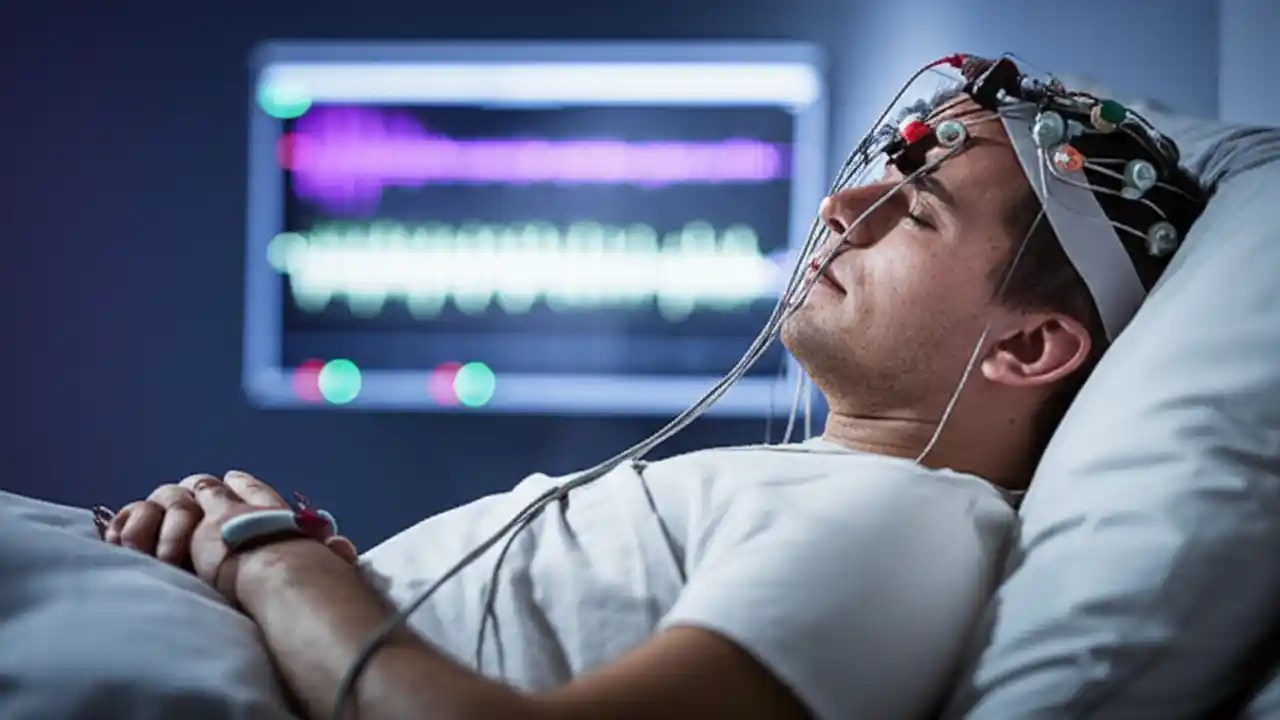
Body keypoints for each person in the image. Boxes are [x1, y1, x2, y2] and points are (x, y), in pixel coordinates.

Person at [98, 62, 1204, 720]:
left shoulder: (904, 522)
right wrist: (280, 571)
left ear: (1029, 349)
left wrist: (268, 556)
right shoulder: (828, 487)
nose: (840, 209)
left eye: (913, 212)